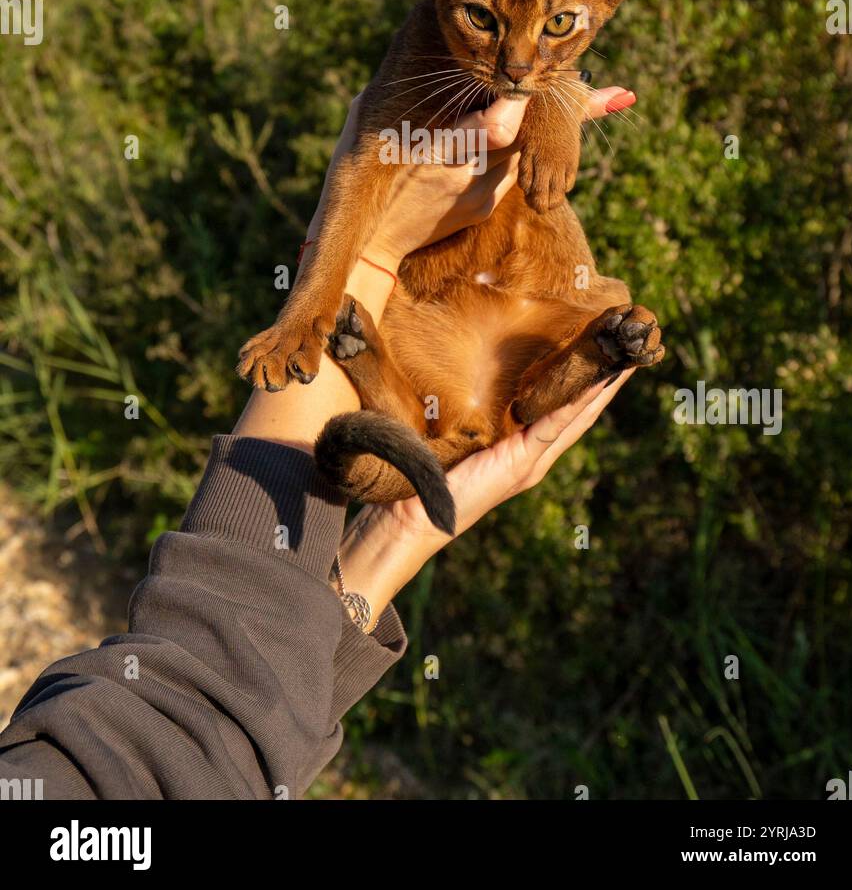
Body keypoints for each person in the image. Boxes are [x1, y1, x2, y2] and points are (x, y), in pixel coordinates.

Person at [0, 87, 638, 800]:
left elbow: (231, 750)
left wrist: (387, 538)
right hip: (438, 381)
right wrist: (368, 255)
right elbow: (204, 741)